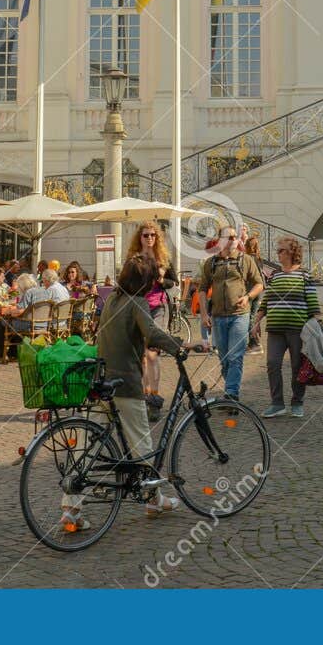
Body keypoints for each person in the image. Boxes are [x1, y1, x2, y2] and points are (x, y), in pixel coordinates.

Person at [94, 254, 208, 519]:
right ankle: (153, 499)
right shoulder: (137, 302)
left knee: (94, 446)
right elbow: (152, 333)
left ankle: (71, 505)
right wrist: (181, 346)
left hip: (102, 379)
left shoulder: (112, 298)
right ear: (143, 281)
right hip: (125, 383)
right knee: (142, 442)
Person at [253, 236, 320, 419]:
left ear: (292, 252)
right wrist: (257, 320)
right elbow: (266, 301)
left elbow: (313, 302)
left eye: (281, 250)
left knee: (297, 367)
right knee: (272, 364)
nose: (278, 253)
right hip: (275, 329)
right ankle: (277, 404)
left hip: (298, 329)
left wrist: (318, 324)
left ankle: (297, 402)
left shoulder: (305, 275)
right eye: (278, 250)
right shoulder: (274, 275)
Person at [195, 227, 263, 400]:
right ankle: (230, 389)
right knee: (224, 358)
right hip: (217, 317)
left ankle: (232, 394)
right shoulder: (211, 262)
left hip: (240, 315)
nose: (233, 240)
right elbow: (202, 289)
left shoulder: (245, 259)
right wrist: (204, 314)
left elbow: (259, 284)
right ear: (221, 240)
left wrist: (248, 297)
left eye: (235, 237)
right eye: (229, 237)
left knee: (235, 356)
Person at [124, 220, 179, 417]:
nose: (149, 238)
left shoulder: (163, 258)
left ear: (157, 238)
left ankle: (154, 400)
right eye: (145, 235)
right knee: (142, 357)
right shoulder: (134, 259)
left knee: (152, 354)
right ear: (139, 238)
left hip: (158, 308)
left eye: (152, 235)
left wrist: (162, 279)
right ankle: (145, 396)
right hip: (139, 308)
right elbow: (126, 283)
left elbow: (174, 282)